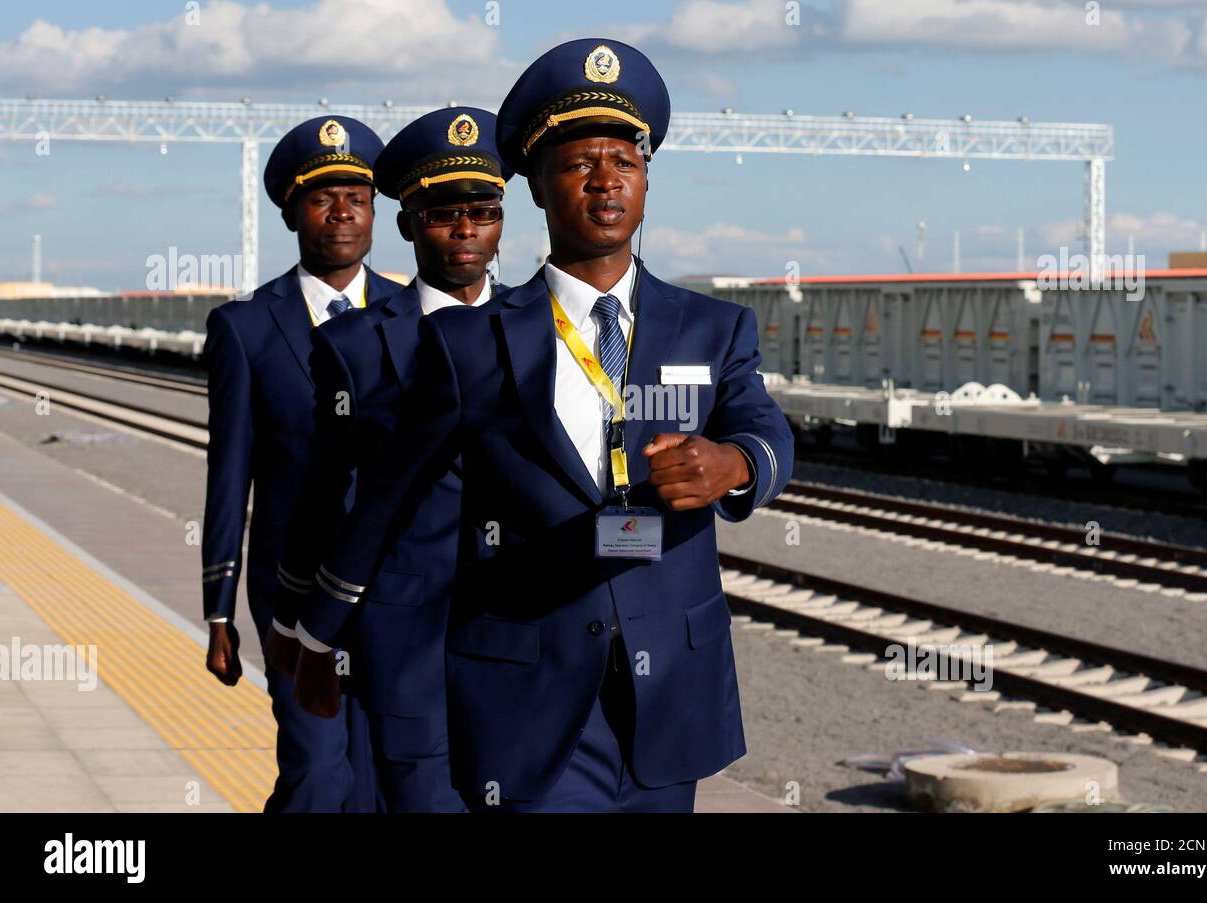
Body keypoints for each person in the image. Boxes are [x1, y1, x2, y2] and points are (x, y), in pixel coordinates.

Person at [301, 38, 793, 812]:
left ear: (645, 179)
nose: (606, 181)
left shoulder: (715, 328)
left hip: (669, 699)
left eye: (624, 162)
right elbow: (388, 496)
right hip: (528, 704)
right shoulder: (469, 343)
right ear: (533, 187)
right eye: (577, 164)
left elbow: (768, 431)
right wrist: (316, 633)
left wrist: (732, 464)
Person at [267, 107, 510, 812]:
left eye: (483, 211)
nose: (465, 230)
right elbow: (321, 495)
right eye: (441, 213)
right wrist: (298, 627)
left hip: (530, 634)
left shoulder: (545, 332)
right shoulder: (353, 345)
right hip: (407, 642)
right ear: (406, 224)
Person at [200, 115, 396, 812]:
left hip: (396, 588)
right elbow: (228, 473)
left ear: (376, 212)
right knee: (318, 772)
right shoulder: (245, 327)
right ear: (291, 213)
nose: (342, 213)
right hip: (293, 591)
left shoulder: (416, 316)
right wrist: (217, 609)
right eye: (322, 198)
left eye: (358, 197)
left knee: (377, 778)